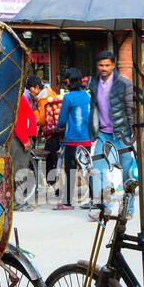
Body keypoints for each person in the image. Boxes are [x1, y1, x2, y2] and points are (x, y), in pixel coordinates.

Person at [87, 50, 136, 216]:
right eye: (101, 65)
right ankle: (103, 208)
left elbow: (131, 109)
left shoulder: (124, 83)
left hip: (122, 134)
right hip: (103, 134)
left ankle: (128, 209)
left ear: (113, 66)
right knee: (97, 171)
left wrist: (133, 135)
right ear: (97, 66)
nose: (104, 68)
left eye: (107, 65)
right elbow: (93, 107)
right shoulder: (93, 83)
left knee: (127, 173)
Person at [54, 69, 91, 209]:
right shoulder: (87, 96)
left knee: (70, 170)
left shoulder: (69, 98)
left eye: (66, 79)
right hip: (86, 140)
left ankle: (68, 202)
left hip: (72, 140)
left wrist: (57, 127)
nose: (65, 81)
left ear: (70, 81)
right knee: (87, 169)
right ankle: (94, 199)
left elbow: (62, 120)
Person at [12, 79, 38, 210]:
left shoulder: (18, 96)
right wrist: (25, 140)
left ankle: (19, 201)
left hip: (21, 138)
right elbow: (18, 120)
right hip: (19, 140)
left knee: (20, 169)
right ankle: (18, 203)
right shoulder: (16, 97)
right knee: (19, 170)